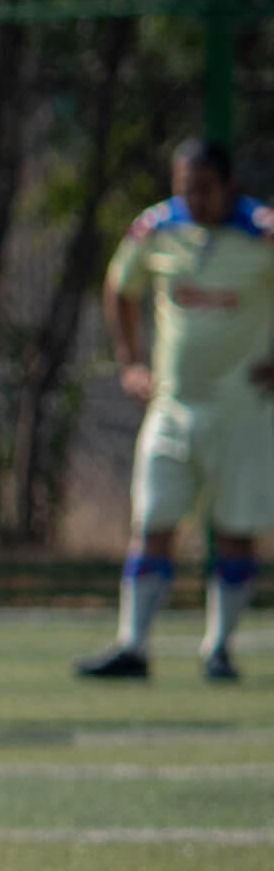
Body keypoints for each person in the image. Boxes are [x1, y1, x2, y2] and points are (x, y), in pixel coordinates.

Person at [77, 140, 274, 683]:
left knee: (235, 529)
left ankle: (219, 649)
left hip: (242, 410)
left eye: (204, 188)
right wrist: (129, 361)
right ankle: (133, 646)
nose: (194, 199)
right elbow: (120, 286)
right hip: (173, 406)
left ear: (228, 185)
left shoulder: (261, 232)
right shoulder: (157, 228)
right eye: (185, 187)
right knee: (153, 522)